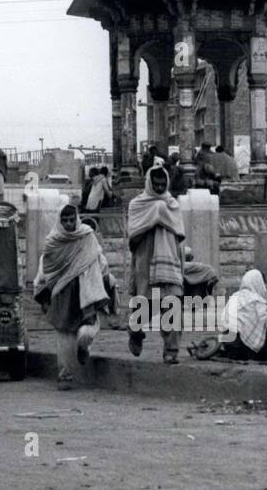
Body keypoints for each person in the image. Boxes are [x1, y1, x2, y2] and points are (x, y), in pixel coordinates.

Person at [33, 203, 114, 391]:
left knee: (87, 330)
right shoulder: (53, 241)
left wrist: (105, 279)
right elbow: (47, 268)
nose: (69, 224)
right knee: (64, 334)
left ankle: (84, 348)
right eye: (65, 220)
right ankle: (65, 375)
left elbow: (97, 258)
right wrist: (43, 288)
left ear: (77, 218)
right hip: (62, 291)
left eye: (72, 219)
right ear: (60, 221)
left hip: (86, 289)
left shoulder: (86, 235)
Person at [127, 161, 187, 363]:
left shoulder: (172, 204)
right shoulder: (137, 205)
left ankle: (171, 351)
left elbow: (179, 234)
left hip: (170, 261)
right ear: (149, 183)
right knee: (145, 306)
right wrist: (154, 217)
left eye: (163, 184)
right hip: (145, 260)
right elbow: (132, 236)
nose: (160, 188)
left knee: (172, 306)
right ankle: (135, 332)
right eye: (156, 184)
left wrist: (159, 214)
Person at [217, 269, 267, 362]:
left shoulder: (234, 298)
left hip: (230, 348)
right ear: (259, 284)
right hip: (250, 351)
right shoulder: (257, 302)